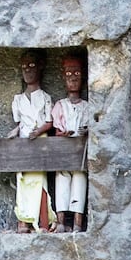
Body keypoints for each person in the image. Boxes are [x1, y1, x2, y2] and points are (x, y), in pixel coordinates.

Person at [12, 53, 53, 233]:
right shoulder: (18, 100)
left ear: (40, 67)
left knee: (39, 181)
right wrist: (14, 132)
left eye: (31, 65)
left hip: (39, 141)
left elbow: (50, 121)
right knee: (22, 181)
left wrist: (39, 131)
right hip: (23, 141)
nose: (28, 70)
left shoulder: (45, 98)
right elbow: (19, 122)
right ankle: (23, 221)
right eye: (24, 67)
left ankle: (42, 221)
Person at [50, 55, 91, 232]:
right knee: (62, 181)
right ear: (63, 78)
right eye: (69, 74)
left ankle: (77, 222)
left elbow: (92, 127)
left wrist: (86, 131)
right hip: (64, 151)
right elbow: (56, 129)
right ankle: (61, 222)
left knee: (80, 182)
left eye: (76, 74)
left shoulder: (87, 107)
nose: (73, 78)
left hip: (80, 151)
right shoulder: (60, 105)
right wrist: (62, 133)